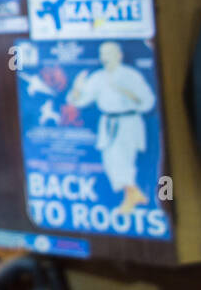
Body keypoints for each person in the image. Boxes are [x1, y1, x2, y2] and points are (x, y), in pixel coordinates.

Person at [65, 40, 157, 214]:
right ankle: (133, 193)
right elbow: (80, 100)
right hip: (108, 123)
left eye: (109, 53)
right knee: (110, 160)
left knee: (124, 159)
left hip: (128, 122)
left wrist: (127, 92)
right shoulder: (98, 77)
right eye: (102, 54)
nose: (105, 57)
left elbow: (148, 102)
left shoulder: (131, 75)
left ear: (119, 56)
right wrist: (77, 89)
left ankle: (132, 196)